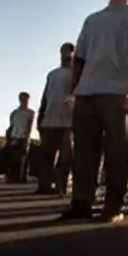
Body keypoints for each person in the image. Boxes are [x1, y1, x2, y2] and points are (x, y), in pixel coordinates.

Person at [59, 0, 128, 223]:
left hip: (115, 92)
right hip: (87, 92)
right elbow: (80, 58)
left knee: (117, 151)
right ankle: (81, 202)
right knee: (84, 152)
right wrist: (73, 91)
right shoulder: (93, 20)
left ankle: (113, 205)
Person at [37, 43, 75, 195]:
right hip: (50, 119)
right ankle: (45, 185)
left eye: (69, 52)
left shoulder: (77, 74)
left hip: (68, 120)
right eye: (64, 52)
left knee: (66, 157)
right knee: (47, 155)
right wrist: (40, 116)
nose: (66, 55)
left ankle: (62, 185)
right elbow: (45, 96)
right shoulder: (52, 74)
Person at [5, 92, 35, 184]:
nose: (24, 101)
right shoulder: (14, 113)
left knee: (23, 158)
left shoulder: (30, 112)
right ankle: (14, 177)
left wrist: (26, 136)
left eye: (26, 99)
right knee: (14, 158)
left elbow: (30, 125)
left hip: (23, 137)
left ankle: (23, 177)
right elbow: (11, 125)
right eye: (22, 99)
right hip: (14, 136)